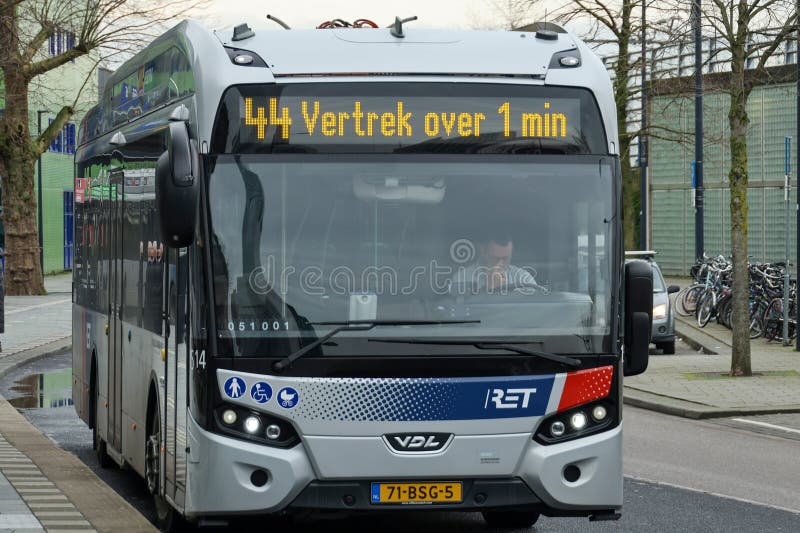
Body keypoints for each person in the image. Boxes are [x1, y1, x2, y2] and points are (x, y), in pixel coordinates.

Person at [451, 232, 539, 293]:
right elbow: (462, 311)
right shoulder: (462, 278)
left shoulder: (523, 277)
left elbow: (534, 309)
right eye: (495, 259)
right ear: (483, 251)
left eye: (506, 258)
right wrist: (490, 290)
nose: (500, 264)